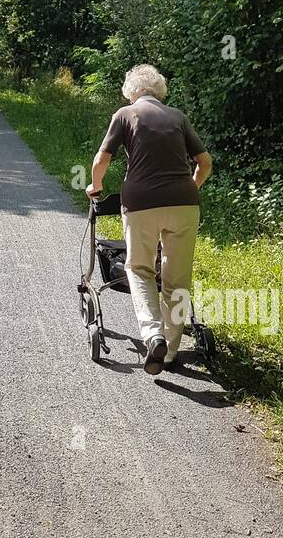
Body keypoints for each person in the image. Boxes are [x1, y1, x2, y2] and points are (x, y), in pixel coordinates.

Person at [86, 64, 212, 375]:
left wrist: (95, 186)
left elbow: (102, 159)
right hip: (185, 205)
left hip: (141, 203)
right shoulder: (178, 116)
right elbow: (205, 162)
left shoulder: (126, 114)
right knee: (177, 278)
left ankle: (152, 334)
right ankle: (169, 352)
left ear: (131, 92)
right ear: (159, 91)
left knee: (140, 269)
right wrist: (188, 188)